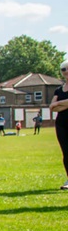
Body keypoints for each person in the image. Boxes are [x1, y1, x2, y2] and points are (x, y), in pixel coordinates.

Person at [49, 60, 68, 190]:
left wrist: (59, 104)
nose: (66, 72)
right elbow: (52, 107)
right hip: (62, 124)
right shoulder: (58, 89)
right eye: (63, 69)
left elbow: (56, 105)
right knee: (66, 153)